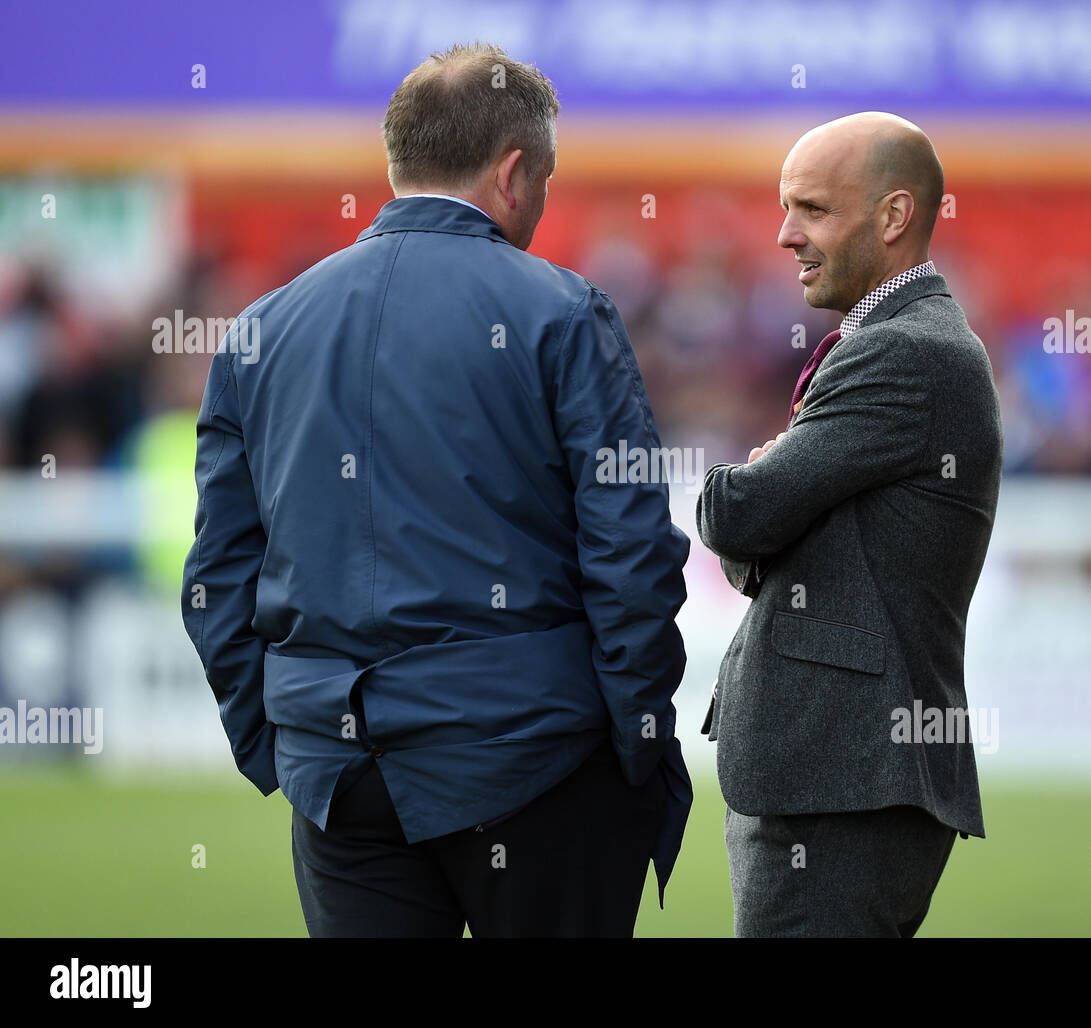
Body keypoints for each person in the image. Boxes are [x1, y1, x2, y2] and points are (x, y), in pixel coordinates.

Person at [181, 42, 691, 938]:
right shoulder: (565, 313)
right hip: (535, 760)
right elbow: (634, 557)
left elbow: (219, 576)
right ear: (514, 170)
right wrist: (639, 745)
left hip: (341, 777)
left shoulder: (259, 330)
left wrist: (281, 745)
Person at [697, 112, 1002, 937]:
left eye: (813, 209)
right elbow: (758, 546)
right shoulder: (900, 342)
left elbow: (737, 512)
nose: (785, 234)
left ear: (894, 216)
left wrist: (752, 482)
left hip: (845, 777)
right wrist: (761, 507)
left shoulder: (904, 352)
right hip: (840, 775)